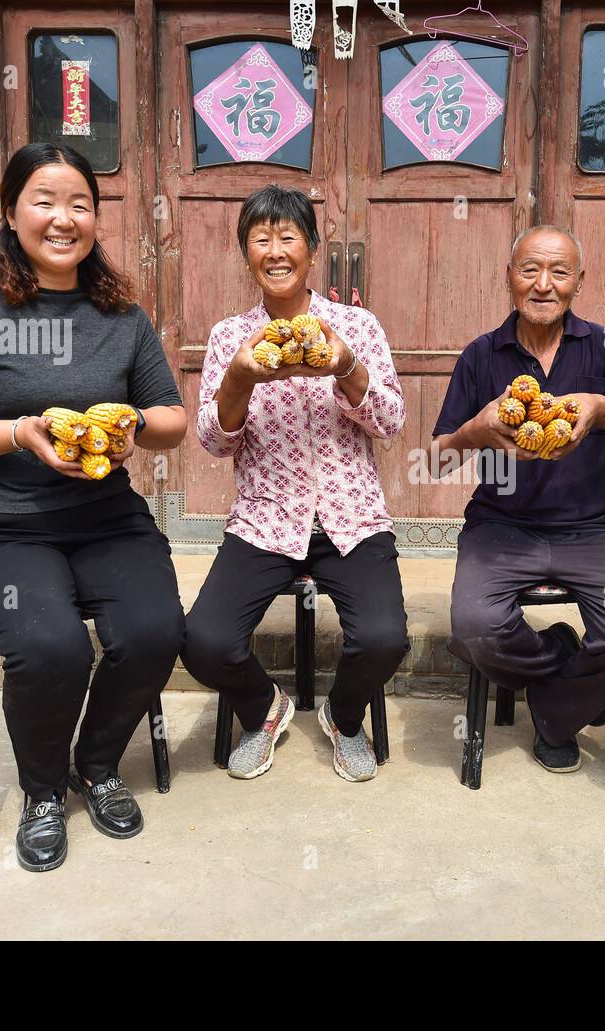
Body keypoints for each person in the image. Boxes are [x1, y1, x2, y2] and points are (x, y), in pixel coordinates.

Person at [0, 143, 187, 873]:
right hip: (0, 528)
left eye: (80, 204)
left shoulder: (121, 316)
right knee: (51, 643)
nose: (64, 218)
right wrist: (17, 433)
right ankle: (40, 791)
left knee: (156, 630)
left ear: (96, 216)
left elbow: (172, 419)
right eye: (44, 200)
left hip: (106, 521)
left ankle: (95, 765)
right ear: (9, 211)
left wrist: (132, 425)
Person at [181, 185, 409, 783]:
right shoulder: (232, 337)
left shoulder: (354, 326)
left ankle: (344, 716)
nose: (275, 251)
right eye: (261, 239)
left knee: (384, 639)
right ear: (246, 252)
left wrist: (347, 368)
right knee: (204, 642)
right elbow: (214, 438)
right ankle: (264, 709)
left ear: (311, 249)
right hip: (266, 518)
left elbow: (390, 421)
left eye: (288, 237)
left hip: (351, 516)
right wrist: (238, 379)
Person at [432, 225, 605, 773]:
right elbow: (439, 457)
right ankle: (561, 659)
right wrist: (475, 429)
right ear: (509, 278)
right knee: (473, 628)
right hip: (500, 529)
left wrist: (601, 408)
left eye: (559, 272)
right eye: (530, 270)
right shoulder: (481, 355)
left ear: (578, 282)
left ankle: (553, 707)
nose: (543, 285)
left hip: (591, 531)